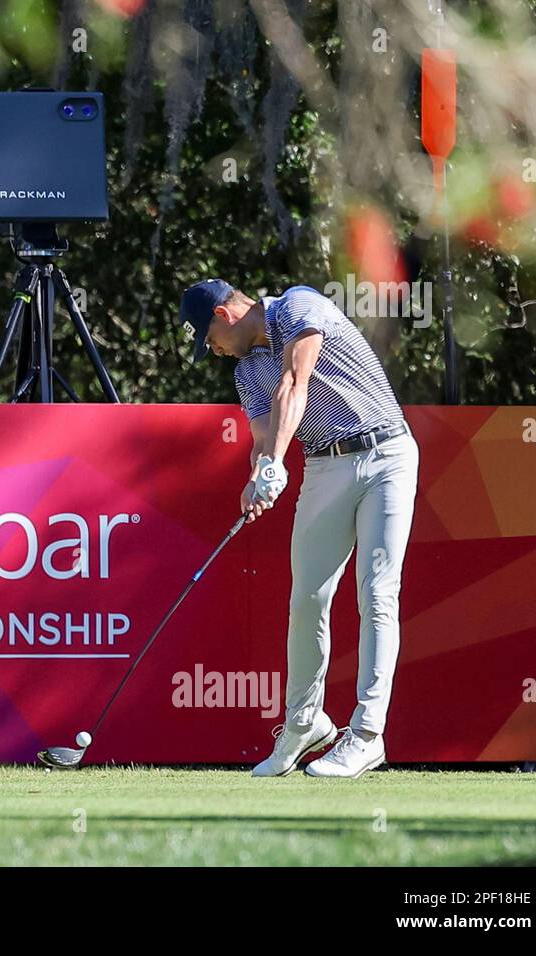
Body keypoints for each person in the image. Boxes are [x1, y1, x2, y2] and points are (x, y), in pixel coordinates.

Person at [179, 279, 419, 778]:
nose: (215, 352)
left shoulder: (298, 306)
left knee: (377, 594)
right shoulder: (247, 371)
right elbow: (264, 435)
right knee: (308, 598)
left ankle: (367, 735)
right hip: (324, 468)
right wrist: (260, 475)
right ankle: (304, 723)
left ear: (224, 316)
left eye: (210, 340)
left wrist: (272, 464)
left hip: (386, 456)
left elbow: (295, 380)